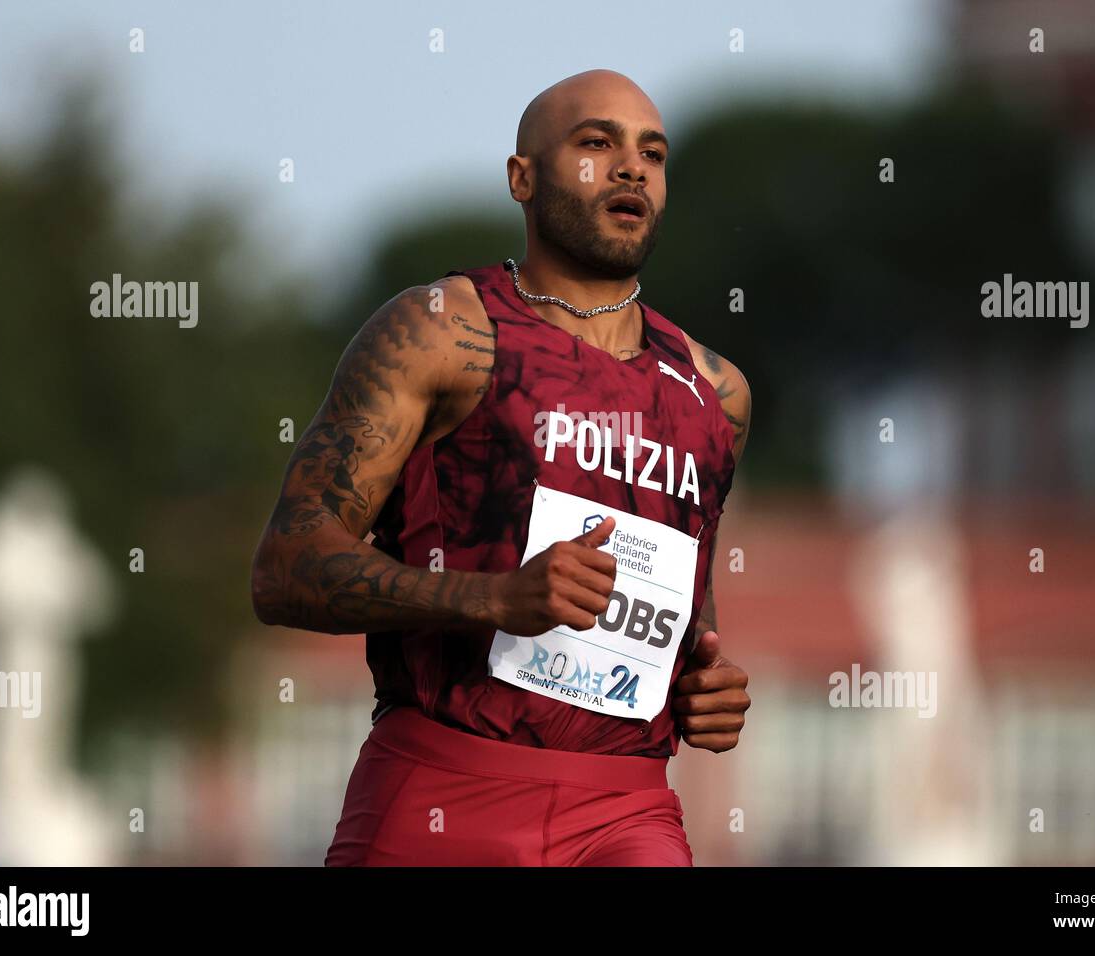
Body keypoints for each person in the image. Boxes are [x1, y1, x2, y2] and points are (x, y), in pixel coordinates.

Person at [251, 69, 752, 866]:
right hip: (444, 789)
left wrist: (703, 687)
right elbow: (285, 568)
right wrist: (493, 598)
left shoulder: (716, 392)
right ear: (522, 177)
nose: (631, 168)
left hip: (629, 811)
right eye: (596, 143)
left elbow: (687, 619)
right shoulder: (441, 331)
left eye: (652, 154)